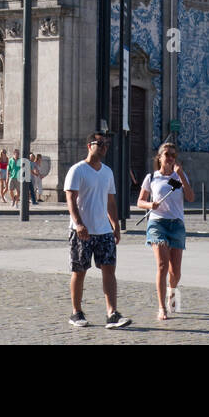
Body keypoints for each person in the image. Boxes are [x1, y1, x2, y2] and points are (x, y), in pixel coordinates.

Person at [64, 132, 131, 329]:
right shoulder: (77, 170)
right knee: (80, 271)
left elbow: (111, 201)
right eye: (100, 143)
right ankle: (76, 313)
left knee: (109, 270)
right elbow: (71, 199)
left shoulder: (107, 172)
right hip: (82, 231)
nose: (103, 147)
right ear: (89, 145)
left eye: (106, 144)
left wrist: (116, 225)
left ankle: (112, 314)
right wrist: (78, 224)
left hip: (104, 231)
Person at [137, 142, 194, 320]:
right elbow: (140, 201)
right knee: (162, 265)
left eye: (173, 155)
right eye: (167, 154)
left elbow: (191, 198)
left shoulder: (180, 176)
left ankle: (172, 291)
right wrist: (150, 204)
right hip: (157, 223)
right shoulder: (151, 178)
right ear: (159, 157)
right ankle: (162, 307)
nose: (170, 158)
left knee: (175, 272)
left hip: (176, 224)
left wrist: (181, 175)